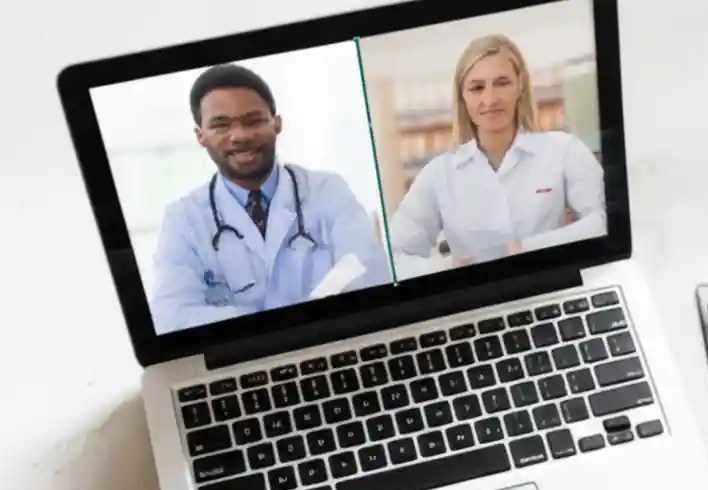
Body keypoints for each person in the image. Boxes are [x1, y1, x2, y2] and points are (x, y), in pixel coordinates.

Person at [149, 64, 392, 334]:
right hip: (242, 359)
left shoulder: (327, 191)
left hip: (333, 339)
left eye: (253, 121)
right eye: (220, 125)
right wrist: (279, 324)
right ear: (200, 136)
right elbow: (172, 316)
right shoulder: (183, 219)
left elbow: (369, 275)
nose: (240, 136)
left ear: (277, 124)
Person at [388, 34, 606, 269]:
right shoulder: (437, 174)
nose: (490, 99)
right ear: (463, 96)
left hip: (551, 281)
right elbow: (394, 256)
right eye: (477, 88)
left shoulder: (564, 150)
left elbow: (602, 221)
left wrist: (526, 249)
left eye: (502, 83)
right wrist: (450, 268)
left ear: (520, 85)